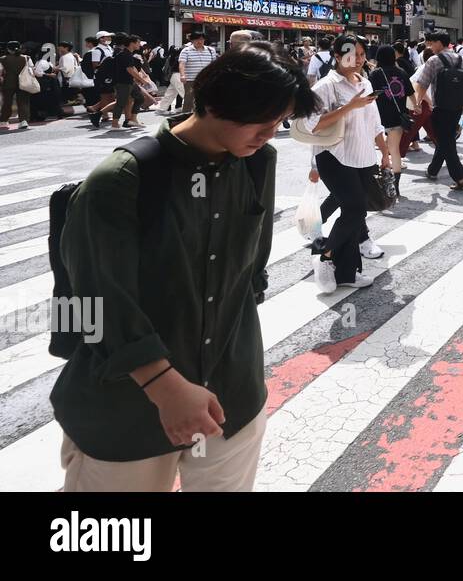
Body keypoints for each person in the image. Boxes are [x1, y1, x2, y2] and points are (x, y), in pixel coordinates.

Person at [52, 43, 314, 491]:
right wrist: (164, 385)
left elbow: (250, 273)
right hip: (127, 409)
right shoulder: (122, 179)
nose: (270, 134)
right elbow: (94, 302)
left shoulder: (256, 165)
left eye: (280, 122)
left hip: (232, 394)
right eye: (261, 120)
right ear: (212, 102)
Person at [303, 34, 388, 293]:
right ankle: (326, 256)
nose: (359, 60)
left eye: (362, 55)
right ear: (337, 57)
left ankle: (347, 272)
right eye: (352, 56)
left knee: (355, 213)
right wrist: (349, 106)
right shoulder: (326, 86)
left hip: (363, 156)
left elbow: (374, 122)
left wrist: (385, 153)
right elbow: (311, 124)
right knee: (353, 209)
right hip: (334, 157)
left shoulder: (365, 82)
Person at [413, 31, 463, 190]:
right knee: (445, 138)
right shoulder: (460, 59)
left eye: (432, 43)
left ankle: (460, 176)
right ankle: (432, 170)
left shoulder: (434, 60)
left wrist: (417, 103)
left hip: (441, 106)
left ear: (439, 42)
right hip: (457, 106)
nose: (430, 47)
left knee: (445, 140)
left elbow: (423, 84)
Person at [370, 45, 414, 199]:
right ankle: (395, 186)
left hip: (377, 118)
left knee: (372, 150)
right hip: (397, 117)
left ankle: (376, 183)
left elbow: (369, 96)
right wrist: (415, 107)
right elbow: (411, 94)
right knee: (394, 151)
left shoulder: (375, 74)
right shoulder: (401, 73)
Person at [178, 31, 218, 115]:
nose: (199, 41)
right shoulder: (186, 50)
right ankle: (185, 117)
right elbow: (182, 64)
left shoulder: (211, 50)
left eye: (201, 39)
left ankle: (202, 117)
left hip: (206, 80)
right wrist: (182, 75)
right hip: (190, 79)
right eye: (197, 39)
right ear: (192, 40)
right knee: (189, 99)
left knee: (205, 99)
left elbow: (214, 65)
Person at [1, 41, 33, 129]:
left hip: (8, 83)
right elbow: (32, 69)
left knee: (7, 102)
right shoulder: (26, 58)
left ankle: (4, 120)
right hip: (23, 82)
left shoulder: (3, 59)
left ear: (8, 49)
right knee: (23, 102)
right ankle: (24, 120)